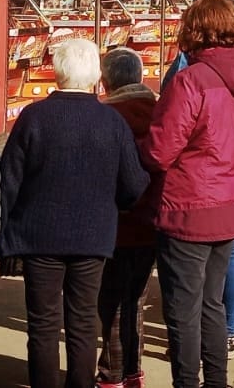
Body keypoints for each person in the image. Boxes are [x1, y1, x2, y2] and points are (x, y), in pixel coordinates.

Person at [0, 38, 148, 388]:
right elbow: (134, 184)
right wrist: (114, 206)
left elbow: (8, 181)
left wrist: (1, 237)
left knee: (43, 325)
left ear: (57, 73)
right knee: (83, 325)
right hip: (93, 238)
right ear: (96, 75)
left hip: (38, 238)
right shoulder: (112, 122)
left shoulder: (33, 117)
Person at [140, 0, 234, 388]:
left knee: (182, 309)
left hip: (188, 206)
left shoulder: (191, 81)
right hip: (230, 203)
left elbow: (160, 151)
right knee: (212, 304)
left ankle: (186, 383)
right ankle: (216, 381)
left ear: (194, 31)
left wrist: (136, 146)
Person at [95, 48, 160, 388]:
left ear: (105, 81)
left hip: (115, 225)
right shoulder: (159, 111)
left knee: (112, 302)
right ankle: (132, 371)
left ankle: (111, 376)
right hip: (151, 221)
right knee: (137, 299)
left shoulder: (105, 116)